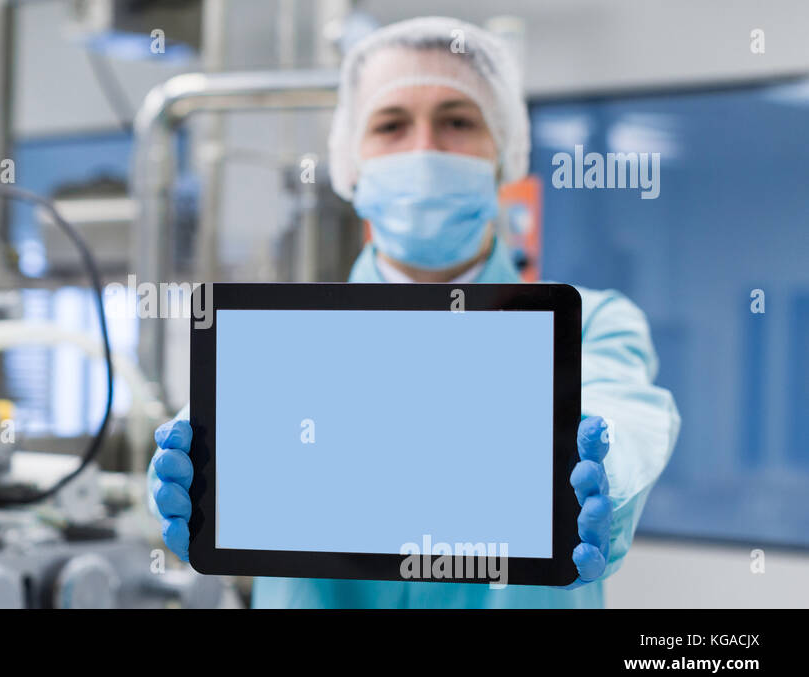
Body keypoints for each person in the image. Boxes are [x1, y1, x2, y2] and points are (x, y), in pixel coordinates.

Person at [147, 16, 681, 608]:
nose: (423, 149)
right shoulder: (279, 342)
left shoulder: (590, 324)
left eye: (457, 121)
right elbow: (235, 432)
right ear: (351, 162)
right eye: (391, 124)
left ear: (505, 151)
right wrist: (207, 449)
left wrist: (612, 468)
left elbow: (621, 407)